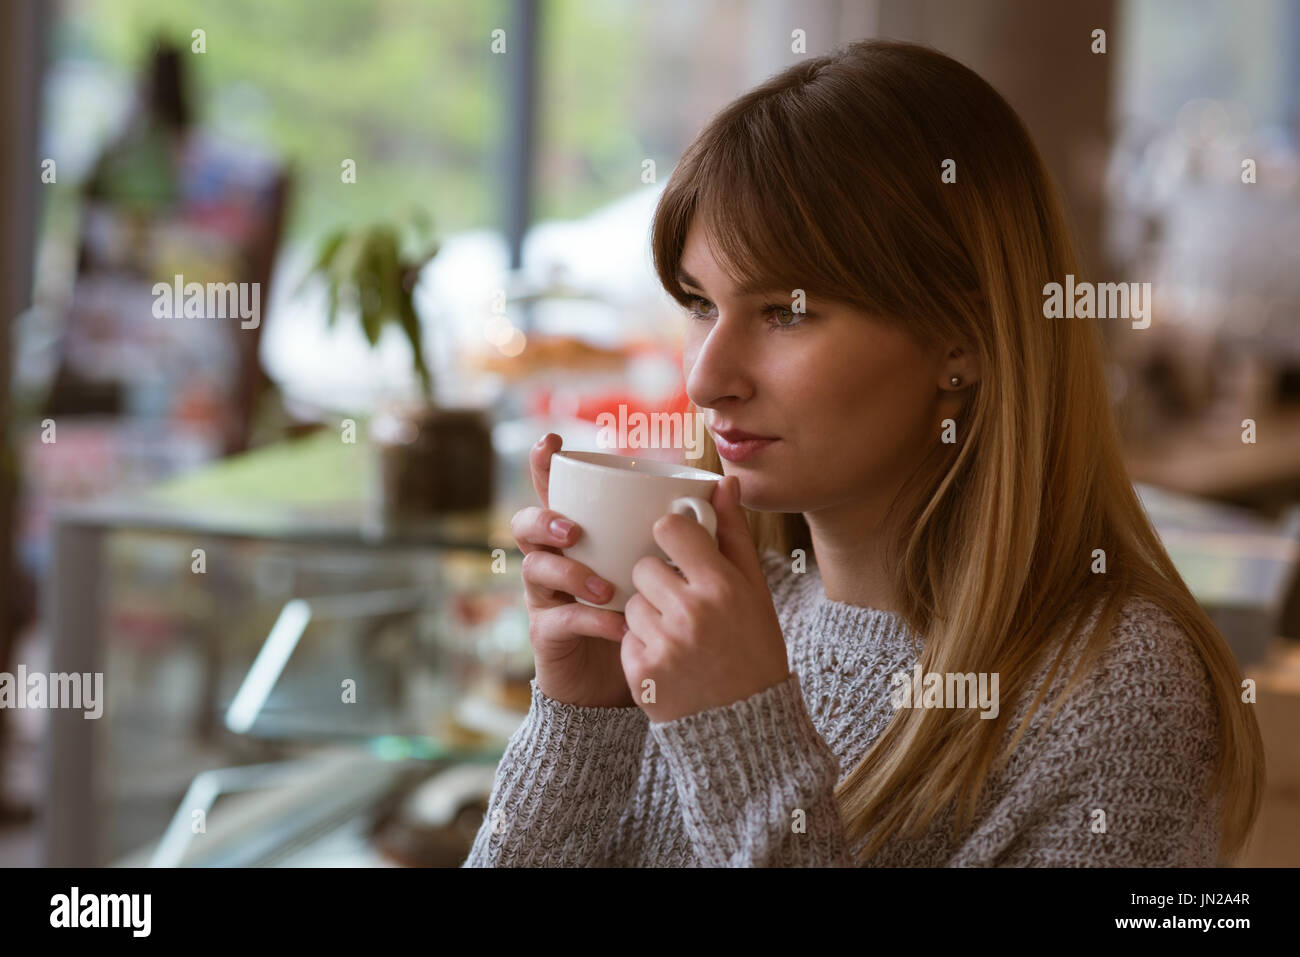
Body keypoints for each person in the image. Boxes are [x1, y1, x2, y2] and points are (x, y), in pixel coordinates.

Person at [463, 38, 1264, 867]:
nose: (705, 379)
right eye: (700, 303)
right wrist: (580, 722)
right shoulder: (707, 618)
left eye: (785, 311)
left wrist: (743, 736)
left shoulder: (1113, 694)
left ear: (963, 338)